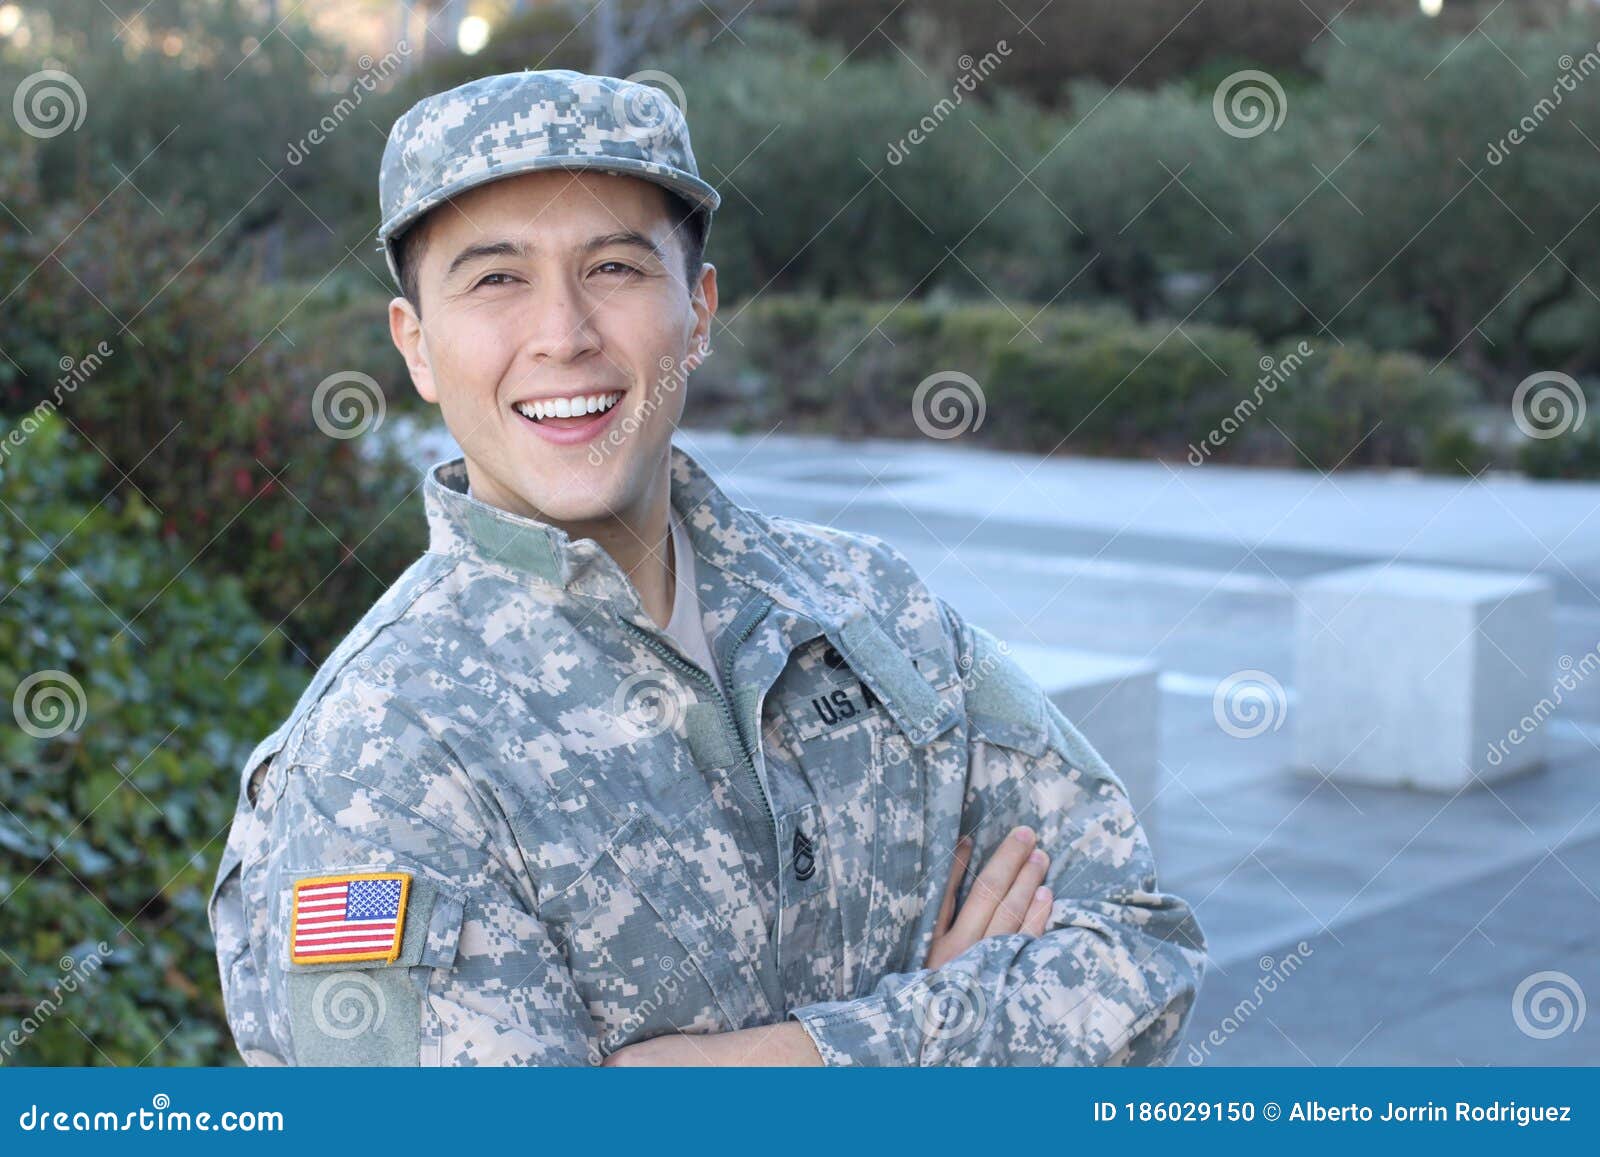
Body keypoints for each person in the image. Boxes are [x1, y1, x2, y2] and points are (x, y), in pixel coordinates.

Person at [207, 67, 1206, 1066]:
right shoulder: (379, 754)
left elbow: (1143, 954)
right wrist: (958, 1026)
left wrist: (756, 1065)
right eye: (496, 279)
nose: (563, 335)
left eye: (614, 267)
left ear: (700, 310)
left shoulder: (874, 612)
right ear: (417, 346)